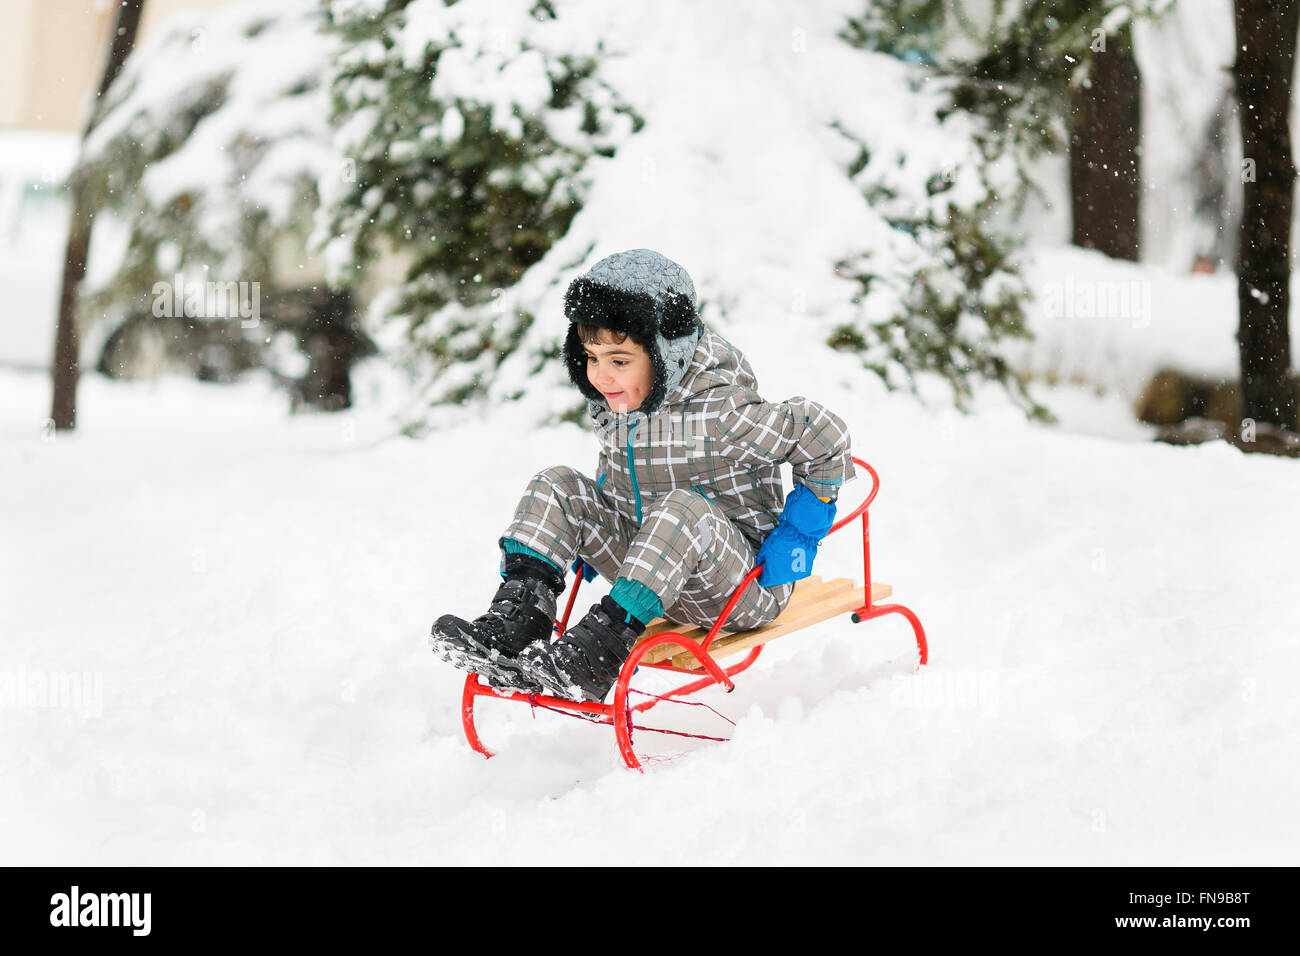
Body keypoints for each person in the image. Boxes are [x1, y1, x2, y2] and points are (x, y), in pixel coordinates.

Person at [429, 248, 854, 703]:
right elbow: (616, 469)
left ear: (666, 354)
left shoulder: (723, 412)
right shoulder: (620, 405)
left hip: (739, 588)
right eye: (591, 356)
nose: (602, 376)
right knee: (556, 483)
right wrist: (582, 529)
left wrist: (800, 531)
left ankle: (599, 652)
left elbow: (823, 435)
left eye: (619, 360)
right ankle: (520, 618)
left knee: (681, 507)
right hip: (648, 573)